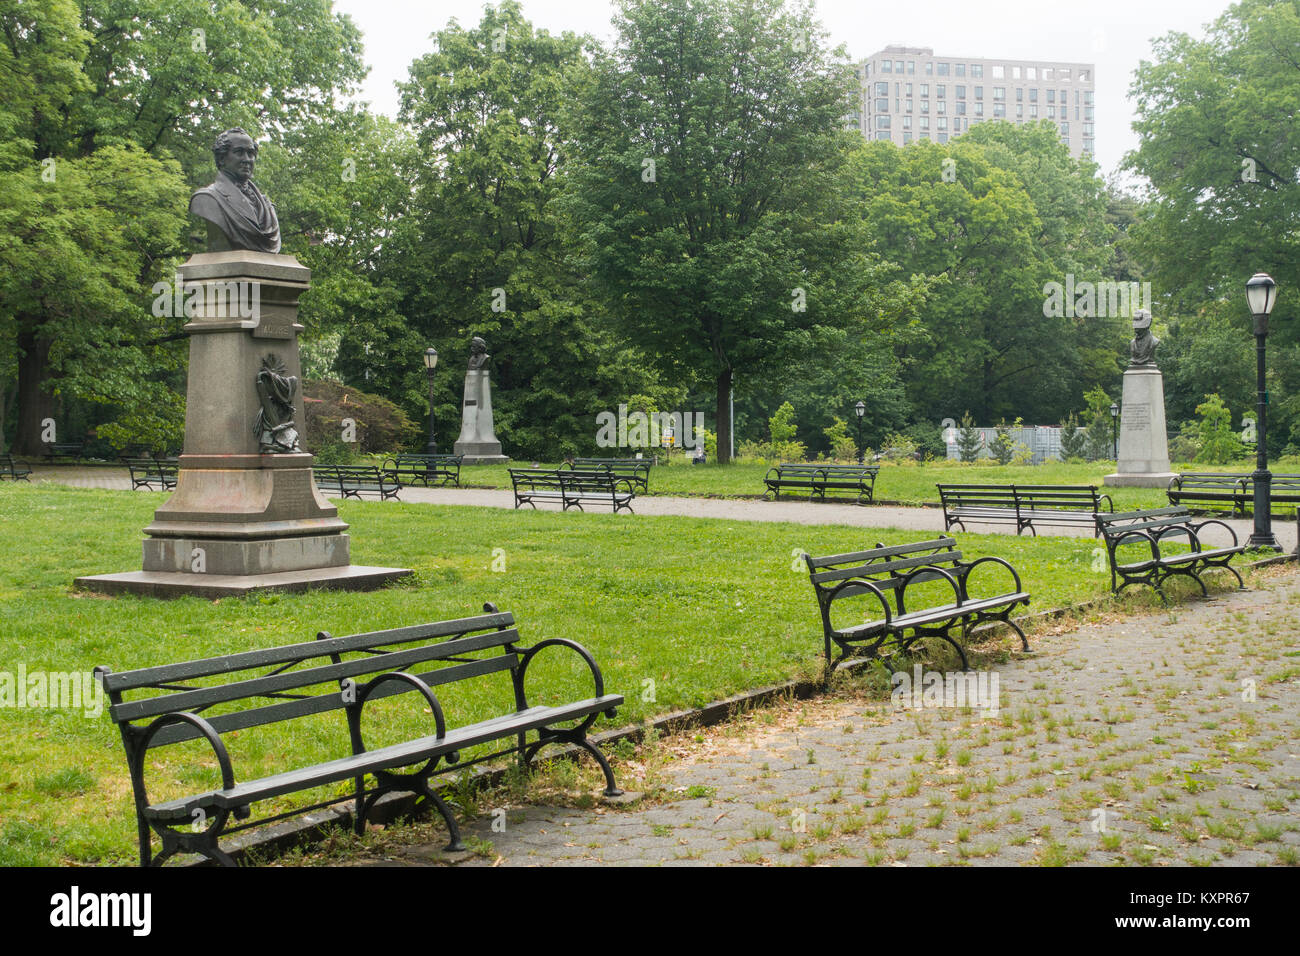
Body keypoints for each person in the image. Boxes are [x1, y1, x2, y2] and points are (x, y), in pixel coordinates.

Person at [190, 128, 282, 254]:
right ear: (222, 158)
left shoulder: (266, 204)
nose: (247, 159)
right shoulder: (207, 199)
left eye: (250, 153)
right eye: (239, 152)